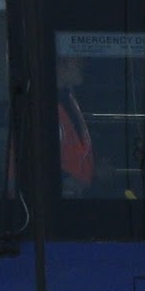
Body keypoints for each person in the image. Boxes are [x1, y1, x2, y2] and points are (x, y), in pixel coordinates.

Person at [57, 53, 96, 194]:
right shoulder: (40, 105)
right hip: (61, 192)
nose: (83, 62)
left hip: (75, 192)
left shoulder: (68, 98)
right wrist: (66, 179)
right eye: (76, 57)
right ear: (61, 62)